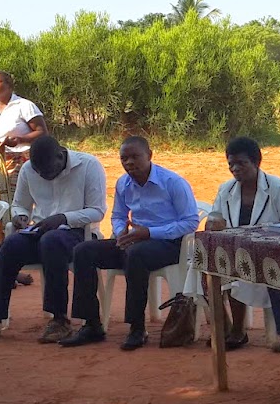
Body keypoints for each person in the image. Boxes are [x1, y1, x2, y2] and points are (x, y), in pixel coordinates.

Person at [0, 136, 108, 345]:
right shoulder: (28, 170)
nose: (43, 176)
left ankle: (59, 320)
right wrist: (21, 216)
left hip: (78, 233)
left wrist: (63, 218)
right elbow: (19, 205)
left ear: (61, 156)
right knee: (9, 246)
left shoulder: (89, 166)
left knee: (51, 241)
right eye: (39, 172)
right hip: (40, 231)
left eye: (48, 171)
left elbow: (97, 211)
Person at [63, 136, 196, 351]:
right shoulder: (123, 183)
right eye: (124, 158)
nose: (129, 163)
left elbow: (190, 222)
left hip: (169, 244)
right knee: (83, 251)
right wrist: (120, 232)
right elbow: (117, 215)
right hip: (134, 241)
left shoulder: (173, 182)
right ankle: (91, 325)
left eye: (135, 157)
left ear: (150, 155)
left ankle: (137, 328)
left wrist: (149, 232)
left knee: (136, 255)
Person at [203, 136, 280, 352]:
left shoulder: (275, 185)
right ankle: (228, 328)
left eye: (241, 163)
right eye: (231, 164)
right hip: (235, 253)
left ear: (256, 162)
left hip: (269, 253)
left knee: (250, 271)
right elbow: (213, 217)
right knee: (204, 270)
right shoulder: (226, 189)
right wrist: (214, 223)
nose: (235, 169)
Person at [0, 70, 48, 204]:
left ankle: (18, 224)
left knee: (17, 201)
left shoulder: (24, 106)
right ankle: (3, 225)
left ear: (9, 85)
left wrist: (20, 140)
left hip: (19, 162)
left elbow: (42, 132)